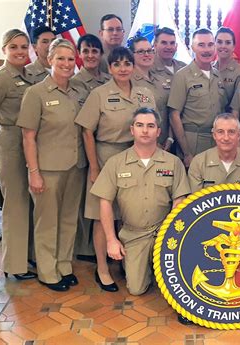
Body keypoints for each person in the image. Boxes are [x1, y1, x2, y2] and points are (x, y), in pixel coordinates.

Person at [75, 47, 156, 292]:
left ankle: (123, 259)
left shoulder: (145, 94)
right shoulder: (99, 94)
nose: (123, 69)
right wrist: (94, 167)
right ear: (109, 68)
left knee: (127, 213)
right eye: (117, 64)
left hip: (136, 156)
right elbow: (86, 131)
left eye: (127, 64)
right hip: (107, 156)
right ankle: (102, 268)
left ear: (133, 66)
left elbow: (152, 124)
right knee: (103, 216)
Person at [91, 107, 190, 296]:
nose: (145, 131)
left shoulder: (173, 162)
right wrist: (111, 240)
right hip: (134, 234)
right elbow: (104, 203)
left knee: (176, 286)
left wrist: (171, 234)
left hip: (165, 233)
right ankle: (142, 265)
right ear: (132, 130)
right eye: (140, 125)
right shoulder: (116, 163)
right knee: (136, 289)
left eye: (151, 126)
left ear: (158, 132)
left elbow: (180, 199)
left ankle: (156, 265)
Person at [17, 38, 87, 292]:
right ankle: (48, 271)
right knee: (47, 221)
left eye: (70, 59)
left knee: (69, 219)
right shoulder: (35, 93)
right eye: (61, 59)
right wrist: (33, 172)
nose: (66, 64)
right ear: (50, 60)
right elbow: (28, 137)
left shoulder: (78, 92)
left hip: (75, 166)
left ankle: (64, 266)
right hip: (47, 169)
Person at [0, 29, 36, 280]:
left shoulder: (28, 75)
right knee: (14, 205)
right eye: (14, 47)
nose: (20, 52)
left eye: (24, 47)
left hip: (29, 140)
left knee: (27, 202)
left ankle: (24, 257)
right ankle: (13, 265)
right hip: (10, 140)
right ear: (4, 50)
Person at [72, 34, 112, 262]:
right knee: (85, 203)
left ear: (101, 54)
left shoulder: (108, 80)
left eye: (95, 51)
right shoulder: (74, 82)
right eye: (85, 51)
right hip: (81, 146)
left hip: (103, 147)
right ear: (79, 54)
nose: (90, 55)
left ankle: (99, 248)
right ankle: (84, 249)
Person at [168, 28, 227, 167]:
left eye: (210, 44)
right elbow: (174, 115)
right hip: (192, 140)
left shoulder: (218, 76)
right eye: (201, 45)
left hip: (216, 139)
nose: (207, 49)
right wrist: (186, 152)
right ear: (192, 47)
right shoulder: (182, 76)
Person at [188, 113, 240, 192]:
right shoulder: (199, 162)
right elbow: (194, 201)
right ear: (214, 135)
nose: (226, 138)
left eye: (231, 132)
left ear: (239, 135)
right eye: (220, 132)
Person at [129, 36, 173, 150]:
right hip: (142, 145)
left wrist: (170, 138)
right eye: (141, 52)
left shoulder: (161, 78)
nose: (147, 54)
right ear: (131, 55)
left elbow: (170, 111)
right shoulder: (129, 82)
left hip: (166, 142)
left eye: (149, 50)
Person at [214, 27, 240, 108]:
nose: (223, 46)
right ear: (214, 44)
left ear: (233, 46)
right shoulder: (208, 68)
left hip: (228, 118)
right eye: (219, 42)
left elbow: (239, 106)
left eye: (228, 42)